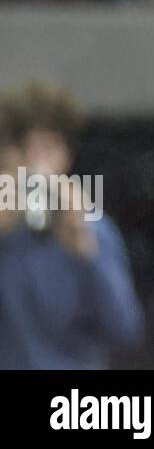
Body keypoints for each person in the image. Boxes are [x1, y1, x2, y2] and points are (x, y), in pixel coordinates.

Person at [0, 81, 145, 368]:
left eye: (47, 148)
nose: (34, 165)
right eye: (22, 150)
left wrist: (87, 253)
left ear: (67, 156)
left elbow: (126, 330)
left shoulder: (93, 229)